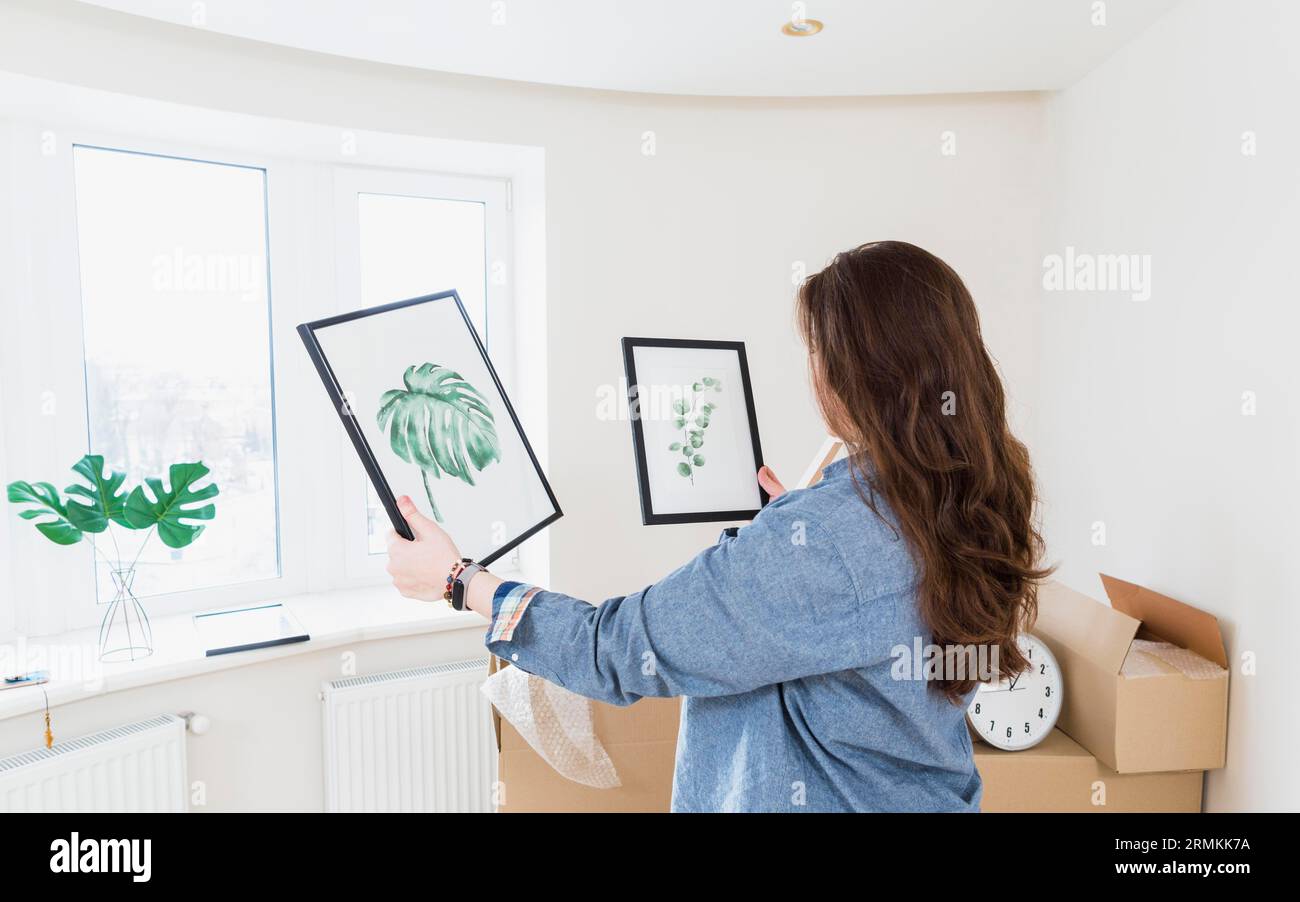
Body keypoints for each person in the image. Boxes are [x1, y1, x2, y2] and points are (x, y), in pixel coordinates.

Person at [386, 240, 1051, 812]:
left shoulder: (831, 540)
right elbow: (874, 603)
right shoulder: (977, 488)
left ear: (850, 374)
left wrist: (459, 581)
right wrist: (798, 535)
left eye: (816, 352)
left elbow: (617, 650)